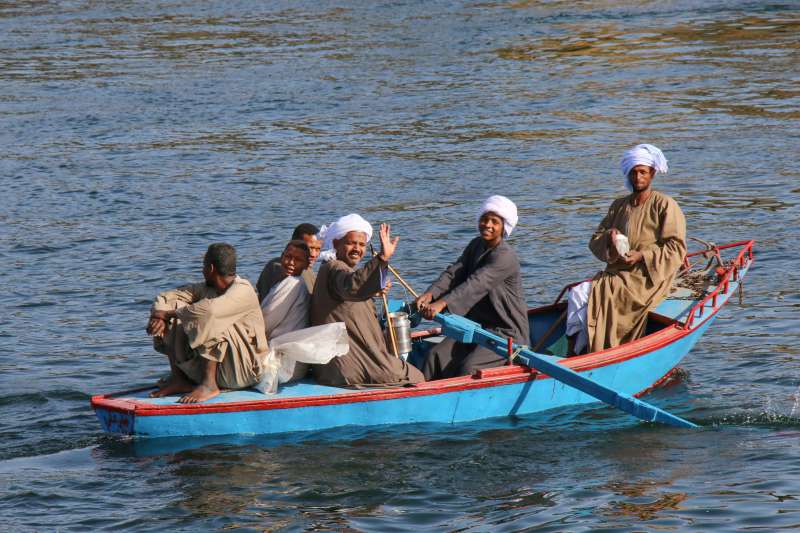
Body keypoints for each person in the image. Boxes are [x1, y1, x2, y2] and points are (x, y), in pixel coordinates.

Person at [566, 144, 687, 355]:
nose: (638, 177)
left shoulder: (665, 205)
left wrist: (642, 256)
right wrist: (609, 237)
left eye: (642, 172)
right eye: (633, 172)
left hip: (646, 278)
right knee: (577, 294)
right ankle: (575, 351)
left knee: (583, 294)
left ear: (652, 173)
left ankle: (581, 352)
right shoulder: (619, 205)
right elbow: (595, 239)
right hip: (617, 273)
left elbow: (676, 248)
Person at [415, 195, 530, 380]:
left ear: (503, 228)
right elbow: (454, 273)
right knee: (434, 356)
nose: (488, 225)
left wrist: (441, 304)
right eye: (485, 219)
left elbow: (475, 284)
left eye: (495, 222)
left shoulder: (505, 256)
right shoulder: (475, 245)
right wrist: (430, 294)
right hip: (475, 326)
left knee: (469, 368)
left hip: (506, 333)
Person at [310, 214, 424, 387]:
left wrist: (373, 291)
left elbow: (350, 292)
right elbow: (352, 285)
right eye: (351, 243)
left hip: (342, 363)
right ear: (335, 244)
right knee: (417, 377)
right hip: (348, 366)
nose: (357, 249)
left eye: (362, 245)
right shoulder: (335, 268)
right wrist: (382, 258)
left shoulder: (337, 270)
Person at [146, 243, 268, 403]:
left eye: (203, 266)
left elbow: (211, 311)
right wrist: (159, 316)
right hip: (216, 370)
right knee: (177, 306)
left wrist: (167, 314)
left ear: (210, 268)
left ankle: (209, 385)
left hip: (244, 371)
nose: (202, 270)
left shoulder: (244, 290)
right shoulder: (206, 288)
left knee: (205, 317)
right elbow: (168, 297)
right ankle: (179, 379)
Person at [261, 240, 312, 340]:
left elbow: (265, 322)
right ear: (281, 257)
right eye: (288, 257)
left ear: (306, 264)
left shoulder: (292, 283)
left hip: (281, 346)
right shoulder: (286, 281)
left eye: (298, 259)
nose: (291, 263)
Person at [256, 223, 321, 301]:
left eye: (317, 249)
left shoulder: (308, 271)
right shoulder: (279, 268)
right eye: (309, 248)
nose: (313, 254)